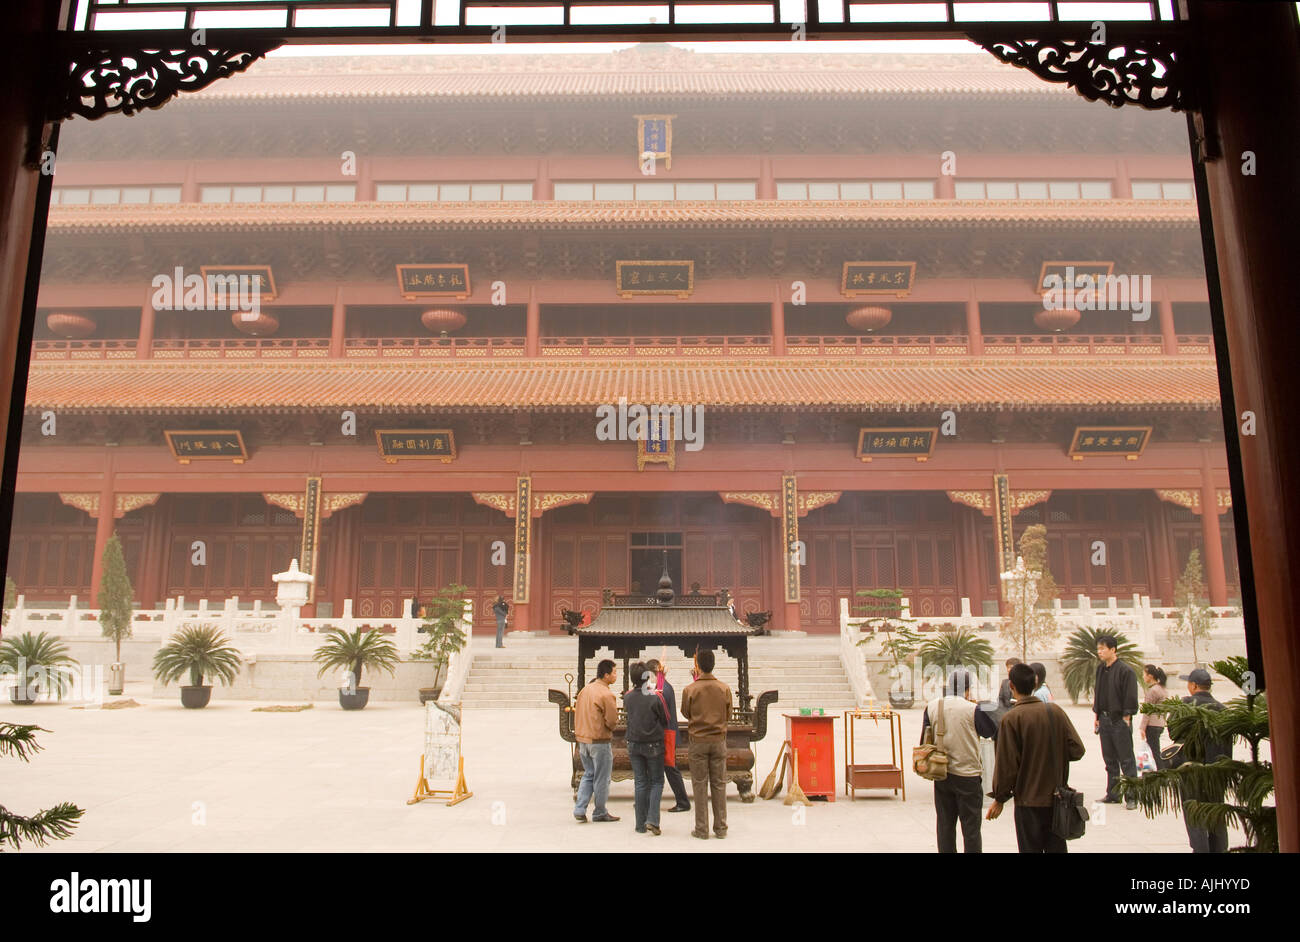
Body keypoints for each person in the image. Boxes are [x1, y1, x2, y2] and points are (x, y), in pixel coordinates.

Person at [986, 663, 1086, 853]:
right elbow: (1077, 750)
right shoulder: (1055, 712)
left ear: (1011, 687)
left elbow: (1006, 766)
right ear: (1035, 684)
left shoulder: (1011, 719)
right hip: (1057, 800)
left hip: (1027, 802)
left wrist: (1000, 798)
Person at [920, 668, 998, 853]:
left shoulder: (932, 706)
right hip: (968, 775)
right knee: (971, 829)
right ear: (968, 688)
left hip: (942, 773)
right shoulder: (973, 709)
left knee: (945, 826)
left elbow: (924, 739)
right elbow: (989, 731)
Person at [1173, 668, 1233, 853]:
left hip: (1192, 772)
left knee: (1194, 813)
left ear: (1193, 686)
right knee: (1216, 813)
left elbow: (1173, 732)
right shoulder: (1224, 710)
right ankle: (1219, 849)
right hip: (1217, 772)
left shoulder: (1185, 706)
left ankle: (1200, 850)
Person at [681, 647, 733, 840]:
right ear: (713, 664)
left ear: (698, 666)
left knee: (699, 785)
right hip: (718, 740)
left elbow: (686, 713)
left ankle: (701, 829)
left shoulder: (690, 689)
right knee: (719, 784)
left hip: (698, 741)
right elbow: (728, 715)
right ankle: (721, 828)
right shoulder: (724, 688)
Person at [1093, 634, 1139, 809]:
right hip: (1104, 719)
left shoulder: (1126, 671)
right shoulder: (1100, 669)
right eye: (1098, 649)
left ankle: (1132, 796)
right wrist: (1096, 717)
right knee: (1109, 759)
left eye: (1103, 648)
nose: (1100, 652)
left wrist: (1127, 717)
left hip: (1119, 720)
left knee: (1126, 760)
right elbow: (1098, 694)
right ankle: (1113, 794)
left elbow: (1131, 696)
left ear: (1113, 649)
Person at [623, 661, 669, 835]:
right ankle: (653, 819)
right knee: (657, 781)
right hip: (653, 744)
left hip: (634, 743)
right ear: (647, 677)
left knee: (640, 782)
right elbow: (665, 719)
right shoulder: (655, 697)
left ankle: (640, 824)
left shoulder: (627, 697)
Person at [572, 659, 620, 823]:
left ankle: (580, 808)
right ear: (606, 675)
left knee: (588, 774)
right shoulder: (606, 694)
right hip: (599, 740)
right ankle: (600, 811)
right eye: (614, 672)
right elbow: (612, 720)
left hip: (583, 739)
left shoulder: (585, 690)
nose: (616, 675)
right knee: (602, 777)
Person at [646, 657, 690, 813]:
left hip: (666, 732)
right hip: (665, 732)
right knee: (659, 768)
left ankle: (683, 801)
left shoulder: (663, 688)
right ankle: (648, 800)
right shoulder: (661, 686)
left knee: (670, 768)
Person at [1139, 665, 1171, 770]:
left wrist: (1142, 727)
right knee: (1155, 750)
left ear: (1150, 676)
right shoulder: (1163, 689)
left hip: (1152, 725)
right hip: (1160, 724)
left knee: (1154, 752)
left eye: (1144, 674)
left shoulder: (1152, 691)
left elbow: (1147, 711)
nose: (1143, 677)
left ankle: (1160, 772)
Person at [992, 658, 1022, 727]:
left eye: (1011, 667)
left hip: (1017, 717)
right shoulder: (1004, 682)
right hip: (1004, 717)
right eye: (1007, 667)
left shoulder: (1022, 682)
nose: (1008, 670)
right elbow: (1000, 699)